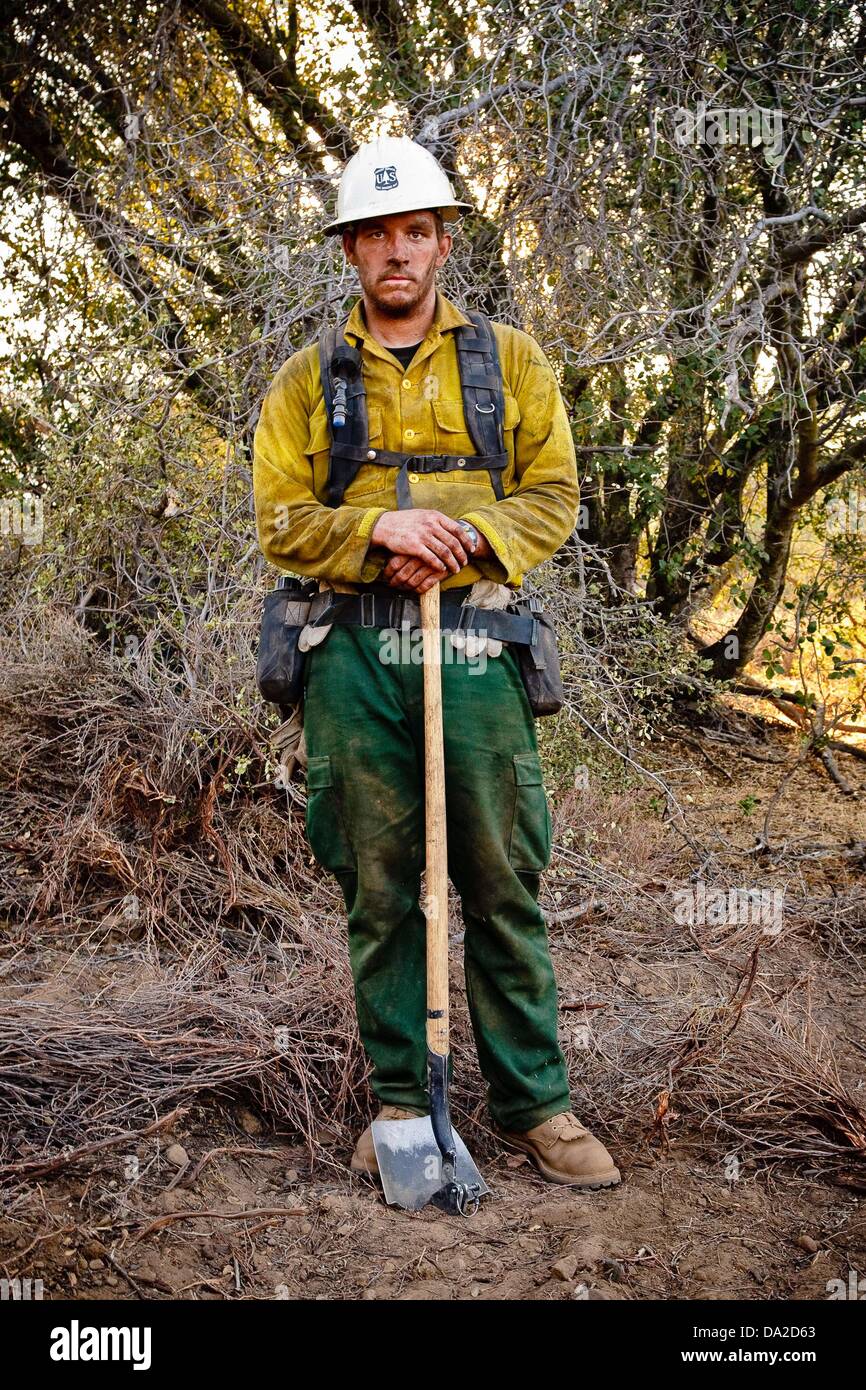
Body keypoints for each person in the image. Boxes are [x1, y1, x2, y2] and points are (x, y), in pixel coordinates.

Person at [253, 134, 621, 1189]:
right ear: (349, 252)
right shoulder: (304, 379)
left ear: (442, 242)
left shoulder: (509, 361)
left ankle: (537, 1106)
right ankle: (405, 1106)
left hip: (474, 641)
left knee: (502, 876)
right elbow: (282, 518)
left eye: (413, 230)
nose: (394, 252)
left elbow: (552, 496)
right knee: (378, 886)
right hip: (353, 652)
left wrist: (461, 539)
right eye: (373, 234)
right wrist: (379, 536)